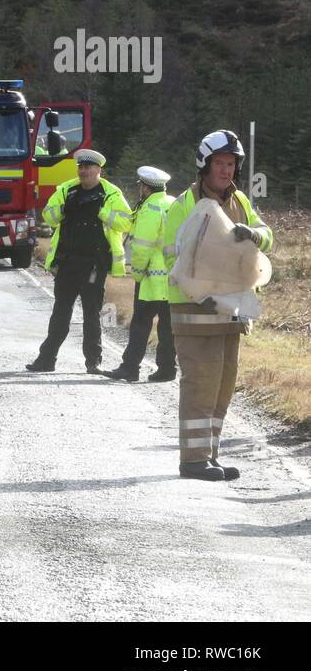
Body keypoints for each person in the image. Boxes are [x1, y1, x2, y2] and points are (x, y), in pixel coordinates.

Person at [162, 130, 273, 482]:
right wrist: (204, 284)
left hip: (231, 308)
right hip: (195, 308)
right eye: (220, 164)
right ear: (204, 166)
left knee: (223, 383)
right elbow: (173, 256)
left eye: (231, 165)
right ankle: (192, 459)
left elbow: (266, 234)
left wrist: (254, 235)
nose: (226, 171)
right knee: (200, 381)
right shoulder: (185, 204)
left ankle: (210, 454)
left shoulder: (239, 199)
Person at [26, 149, 133, 374]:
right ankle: (46, 359)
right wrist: (64, 210)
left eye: (88, 168)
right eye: (81, 167)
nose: (84, 171)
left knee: (92, 314)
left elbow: (125, 223)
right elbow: (48, 215)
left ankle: (93, 361)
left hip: (94, 264)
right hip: (68, 263)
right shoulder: (66, 190)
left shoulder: (111, 193)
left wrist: (103, 213)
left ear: (98, 170)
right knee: (60, 313)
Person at [103, 166, 176, 382]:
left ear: (145, 187)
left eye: (140, 186)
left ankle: (130, 368)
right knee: (167, 327)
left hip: (151, 280)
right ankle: (167, 369)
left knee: (140, 324)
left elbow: (143, 246)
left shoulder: (150, 208)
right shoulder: (171, 203)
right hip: (171, 279)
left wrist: (136, 273)